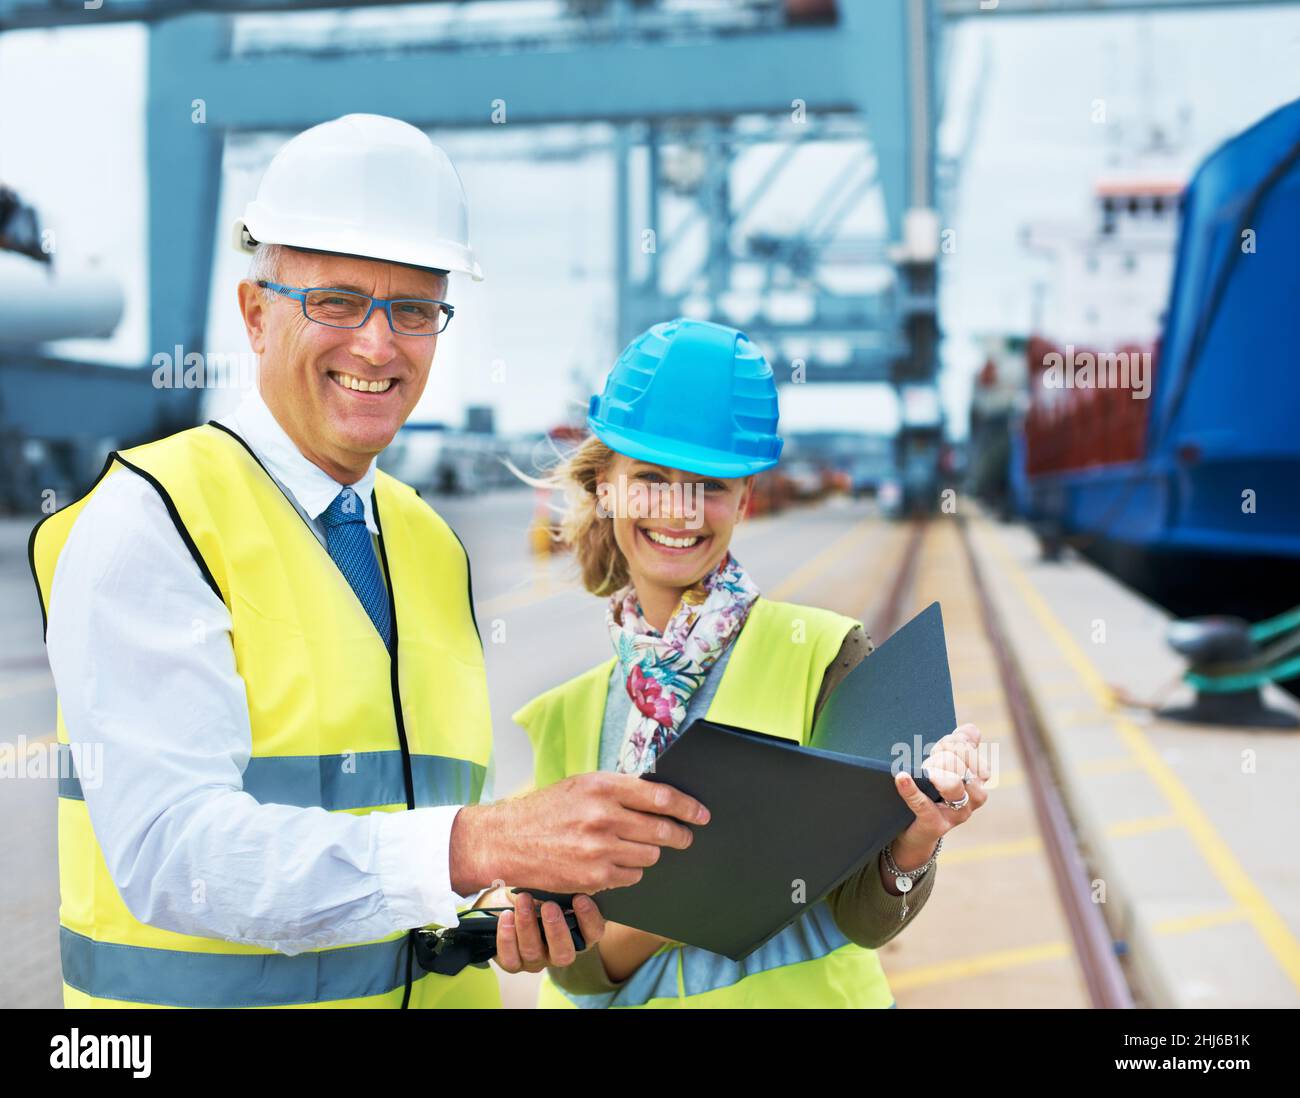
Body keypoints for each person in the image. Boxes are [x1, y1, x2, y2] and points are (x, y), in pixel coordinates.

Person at [28, 115, 707, 1009]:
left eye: (415, 310)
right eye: (337, 302)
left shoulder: (427, 542)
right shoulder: (149, 522)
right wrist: (479, 845)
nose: (378, 346)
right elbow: (174, 857)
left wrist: (514, 901)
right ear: (255, 312)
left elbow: (413, 843)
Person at [508, 317, 990, 1008]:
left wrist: (917, 837)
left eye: (708, 485)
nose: (680, 511)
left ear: (745, 498)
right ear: (606, 487)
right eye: (650, 477)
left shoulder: (826, 657)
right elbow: (578, 970)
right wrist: (712, 882)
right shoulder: (570, 715)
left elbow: (865, 915)